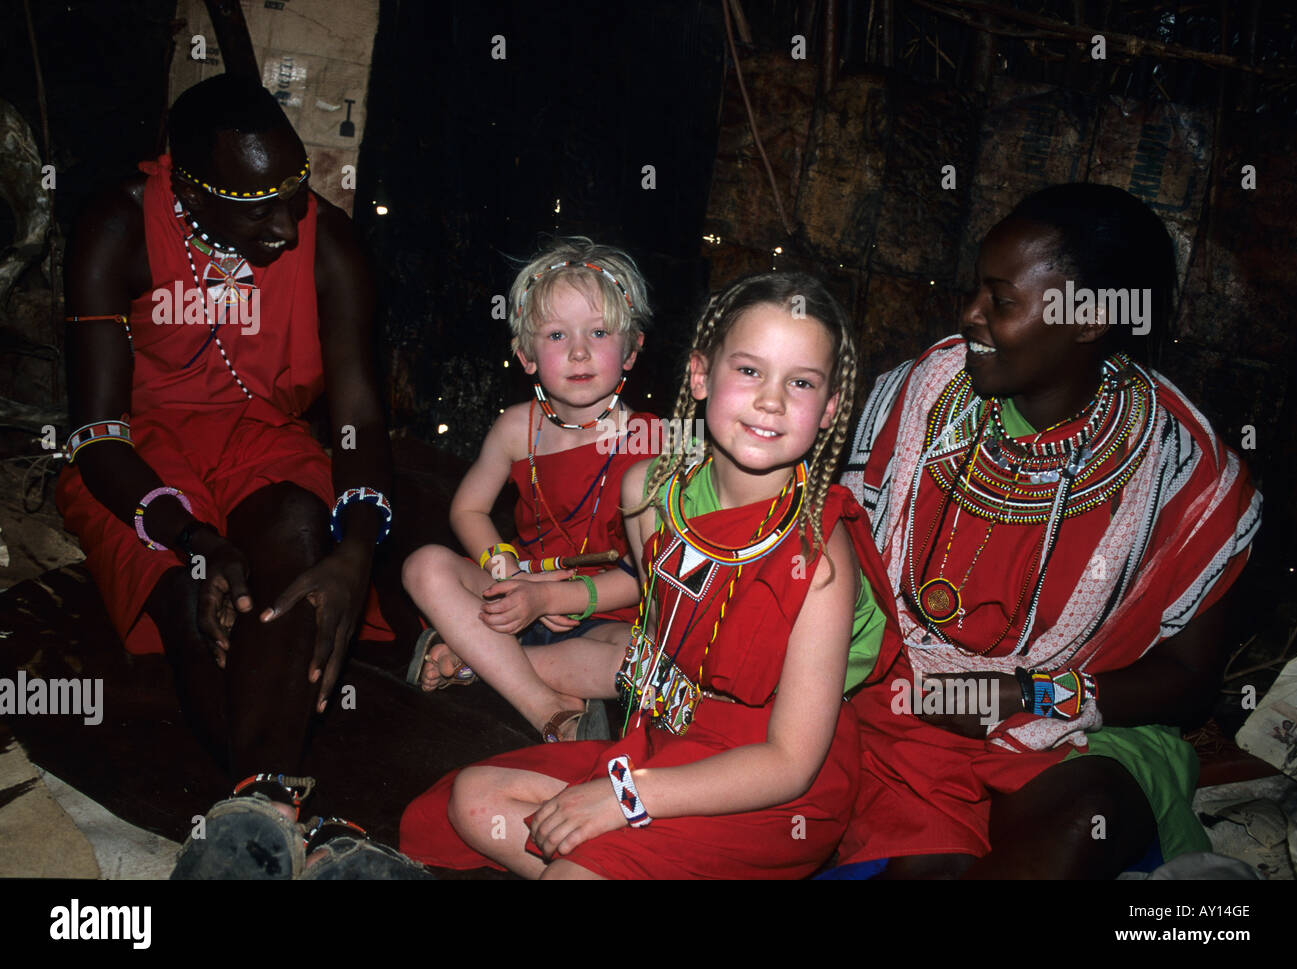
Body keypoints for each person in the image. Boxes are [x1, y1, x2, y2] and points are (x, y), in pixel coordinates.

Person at [399, 271, 899, 879]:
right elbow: (654, 648)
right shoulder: (648, 493)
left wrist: (627, 799)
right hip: (671, 736)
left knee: (570, 872)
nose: (772, 399)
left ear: (829, 410)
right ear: (699, 375)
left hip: (767, 784)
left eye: (800, 382)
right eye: (748, 370)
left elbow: (790, 761)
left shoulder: (819, 555)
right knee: (474, 801)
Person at [837, 183, 1262, 878]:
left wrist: (1032, 695)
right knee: (914, 855)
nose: (969, 314)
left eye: (1000, 302)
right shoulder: (918, 398)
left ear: (1089, 318)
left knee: (1077, 827)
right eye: (978, 290)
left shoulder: (1182, 470)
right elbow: (845, 571)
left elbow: (1187, 682)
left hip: (1077, 728)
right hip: (900, 693)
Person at [57, 73, 393, 781]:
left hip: (264, 440)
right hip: (140, 455)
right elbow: (94, 433)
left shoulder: (330, 242)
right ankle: (270, 797)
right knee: (192, 594)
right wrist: (192, 538)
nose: (286, 225)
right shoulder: (116, 228)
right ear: (186, 190)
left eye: (294, 194)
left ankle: (260, 800)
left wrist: (357, 547)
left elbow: (359, 416)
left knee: (304, 552)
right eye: (257, 208)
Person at [401, 239, 658, 743]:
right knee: (423, 566)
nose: (579, 351)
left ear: (631, 350)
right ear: (526, 357)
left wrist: (558, 599)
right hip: (514, 594)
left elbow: (646, 579)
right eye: (557, 334)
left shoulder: (653, 445)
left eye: (599, 332)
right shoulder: (515, 429)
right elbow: (469, 508)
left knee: (651, 667)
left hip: (603, 610)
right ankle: (544, 705)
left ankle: (476, 661)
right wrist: (508, 572)